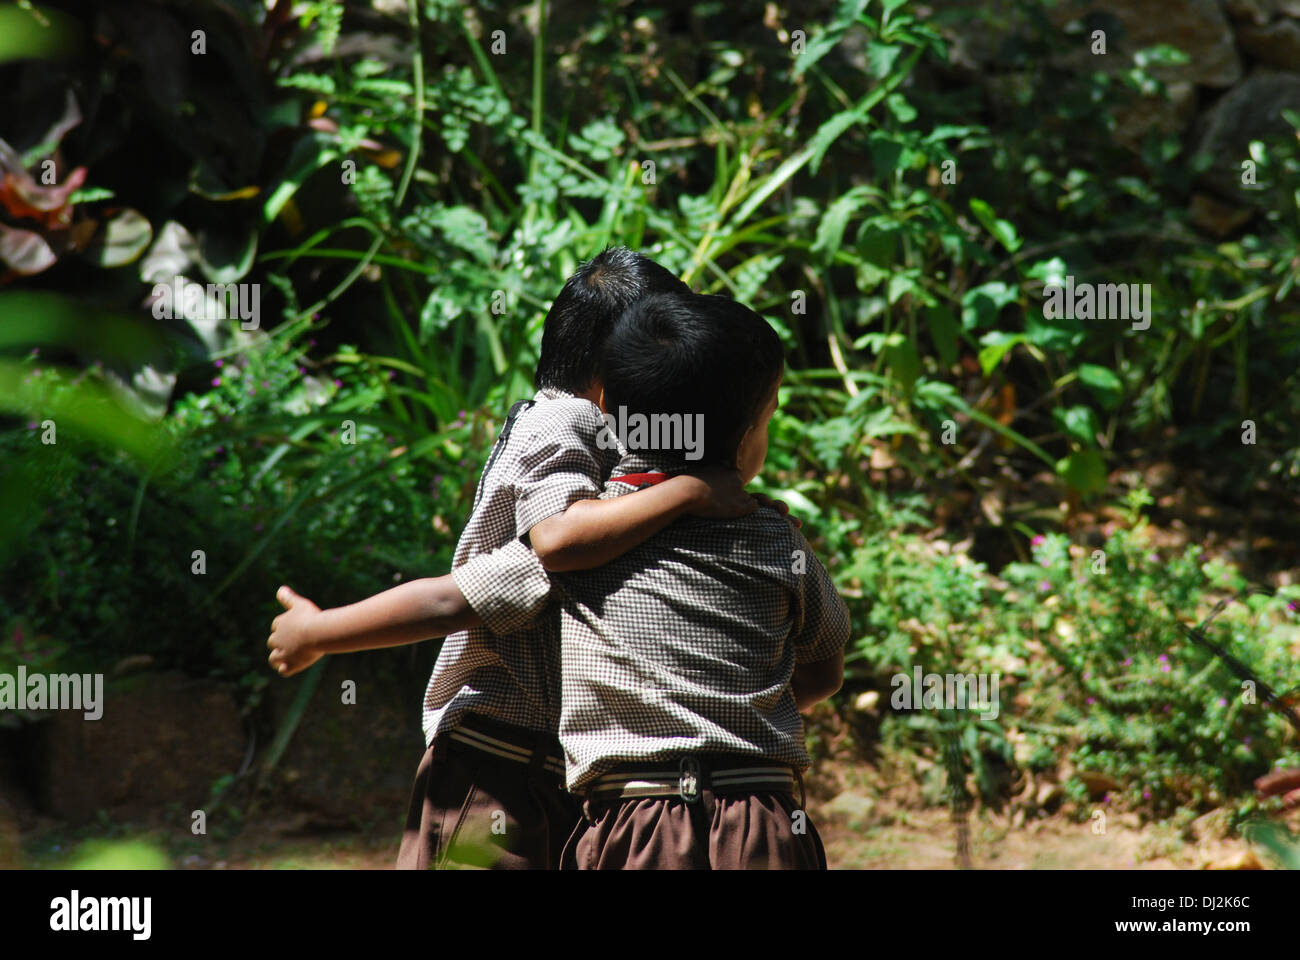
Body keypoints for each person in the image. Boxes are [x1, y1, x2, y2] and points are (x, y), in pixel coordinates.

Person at [266, 248, 756, 869]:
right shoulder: (569, 423)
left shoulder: (606, 450)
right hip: (497, 762)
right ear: (617, 379)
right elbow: (514, 565)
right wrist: (318, 633)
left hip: (566, 773)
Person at [537, 290, 850, 869]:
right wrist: (735, 714)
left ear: (605, 408)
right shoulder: (776, 538)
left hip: (634, 825)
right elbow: (825, 668)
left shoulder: (583, 534)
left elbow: (528, 562)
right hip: (765, 822)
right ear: (747, 435)